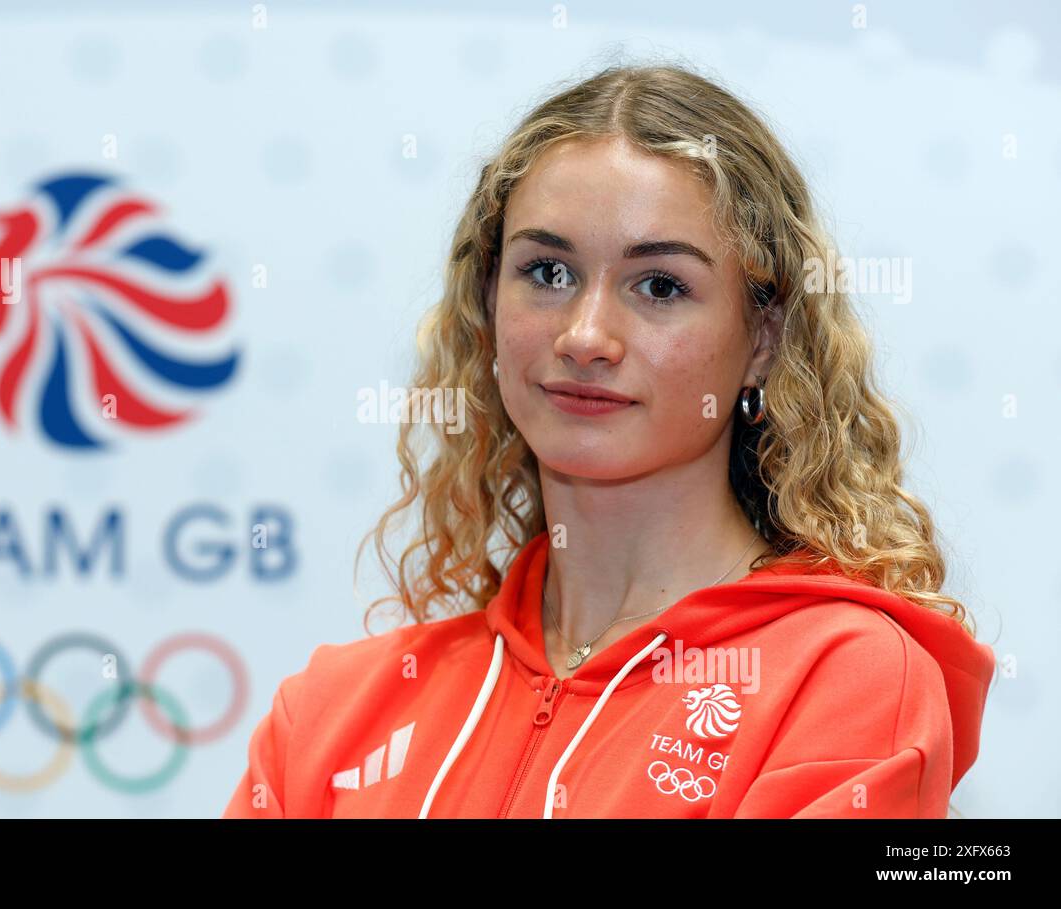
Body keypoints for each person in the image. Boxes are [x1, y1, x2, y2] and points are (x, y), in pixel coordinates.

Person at [222, 62, 996, 818]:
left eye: (660, 286)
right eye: (548, 272)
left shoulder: (843, 681)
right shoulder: (331, 712)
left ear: (763, 337)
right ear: (487, 302)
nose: (586, 335)